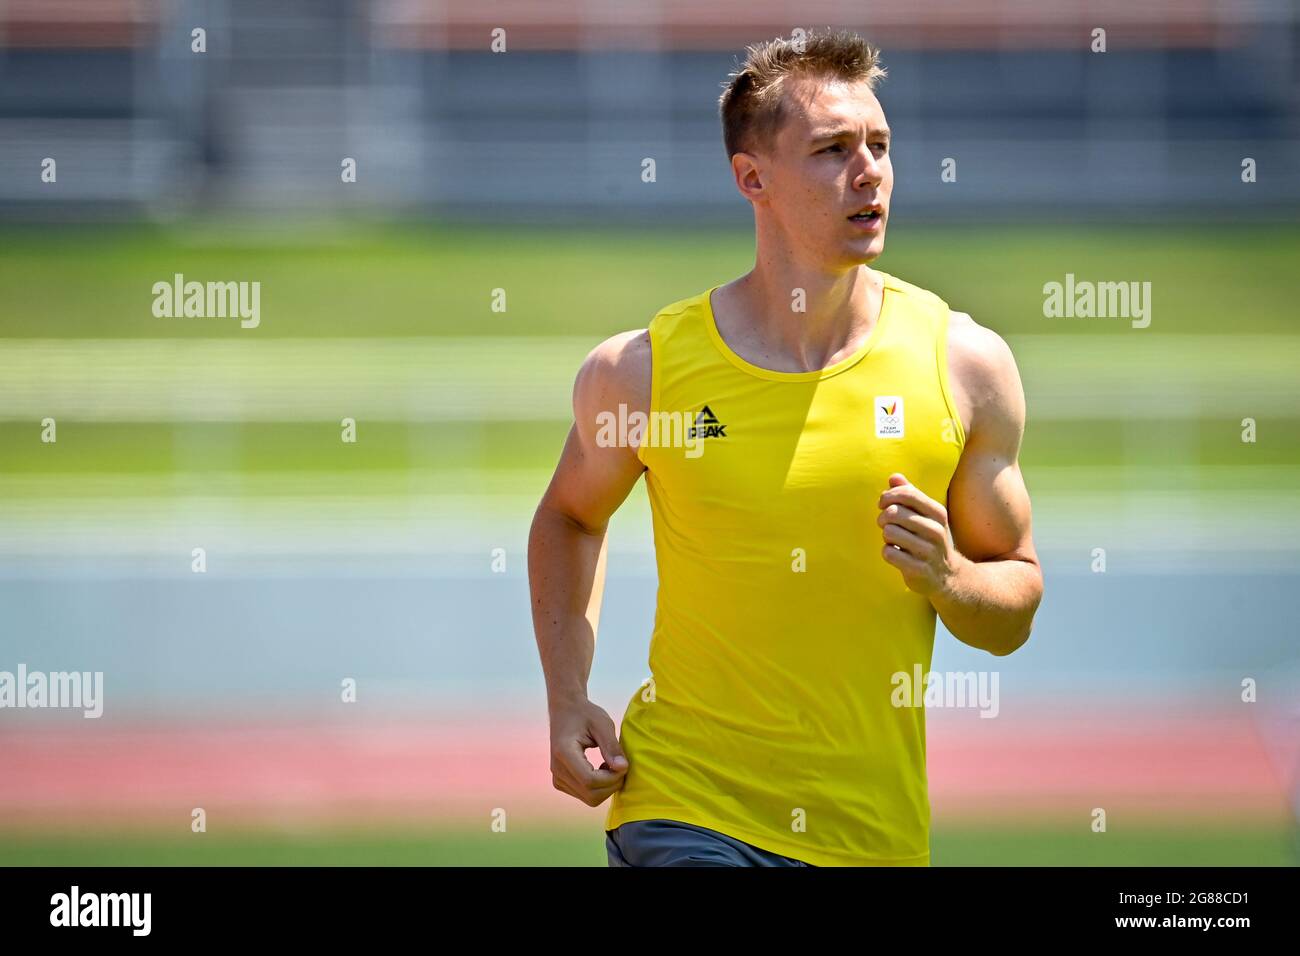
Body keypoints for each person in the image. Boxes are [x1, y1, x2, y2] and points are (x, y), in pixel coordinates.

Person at [528, 29, 1042, 867]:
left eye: (879, 144)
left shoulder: (966, 364)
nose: (868, 170)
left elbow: (1013, 605)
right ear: (752, 178)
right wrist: (566, 695)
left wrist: (950, 579)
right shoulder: (643, 374)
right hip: (685, 808)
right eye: (833, 150)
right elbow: (570, 519)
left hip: (873, 836)